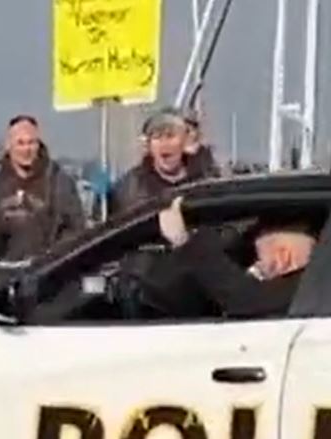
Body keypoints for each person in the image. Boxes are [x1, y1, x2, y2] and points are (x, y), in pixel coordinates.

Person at [154, 196, 317, 318]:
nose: (255, 266)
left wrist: (184, 241)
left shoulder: (302, 291)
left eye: (258, 257)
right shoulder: (328, 284)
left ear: (283, 257)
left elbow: (245, 299)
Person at [0, 114, 84, 271]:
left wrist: (54, 257)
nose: (26, 149)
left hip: (44, 273)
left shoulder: (58, 181)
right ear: (9, 145)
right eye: (20, 143)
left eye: (31, 143)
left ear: (38, 144)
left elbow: (76, 230)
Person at [109, 108, 209, 216]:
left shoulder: (206, 179)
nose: (164, 143)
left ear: (184, 141)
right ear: (148, 146)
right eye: (157, 137)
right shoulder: (130, 188)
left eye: (170, 136)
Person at [183, 110, 220, 179]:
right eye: (185, 131)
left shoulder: (204, 152)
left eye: (190, 130)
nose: (189, 134)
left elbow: (213, 173)